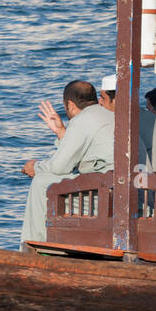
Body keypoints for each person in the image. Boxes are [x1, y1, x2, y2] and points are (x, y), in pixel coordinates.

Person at [20, 80, 113, 247]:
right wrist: (62, 132)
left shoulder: (82, 120)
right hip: (120, 189)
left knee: (41, 183)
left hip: (105, 195)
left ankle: (35, 245)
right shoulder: (108, 115)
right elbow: (83, 156)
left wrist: (36, 167)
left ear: (70, 105)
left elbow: (59, 167)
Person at [97, 75, 156, 178]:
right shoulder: (149, 116)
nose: (99, 102)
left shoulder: (127, 122)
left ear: (116, 100)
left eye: (103, 98)